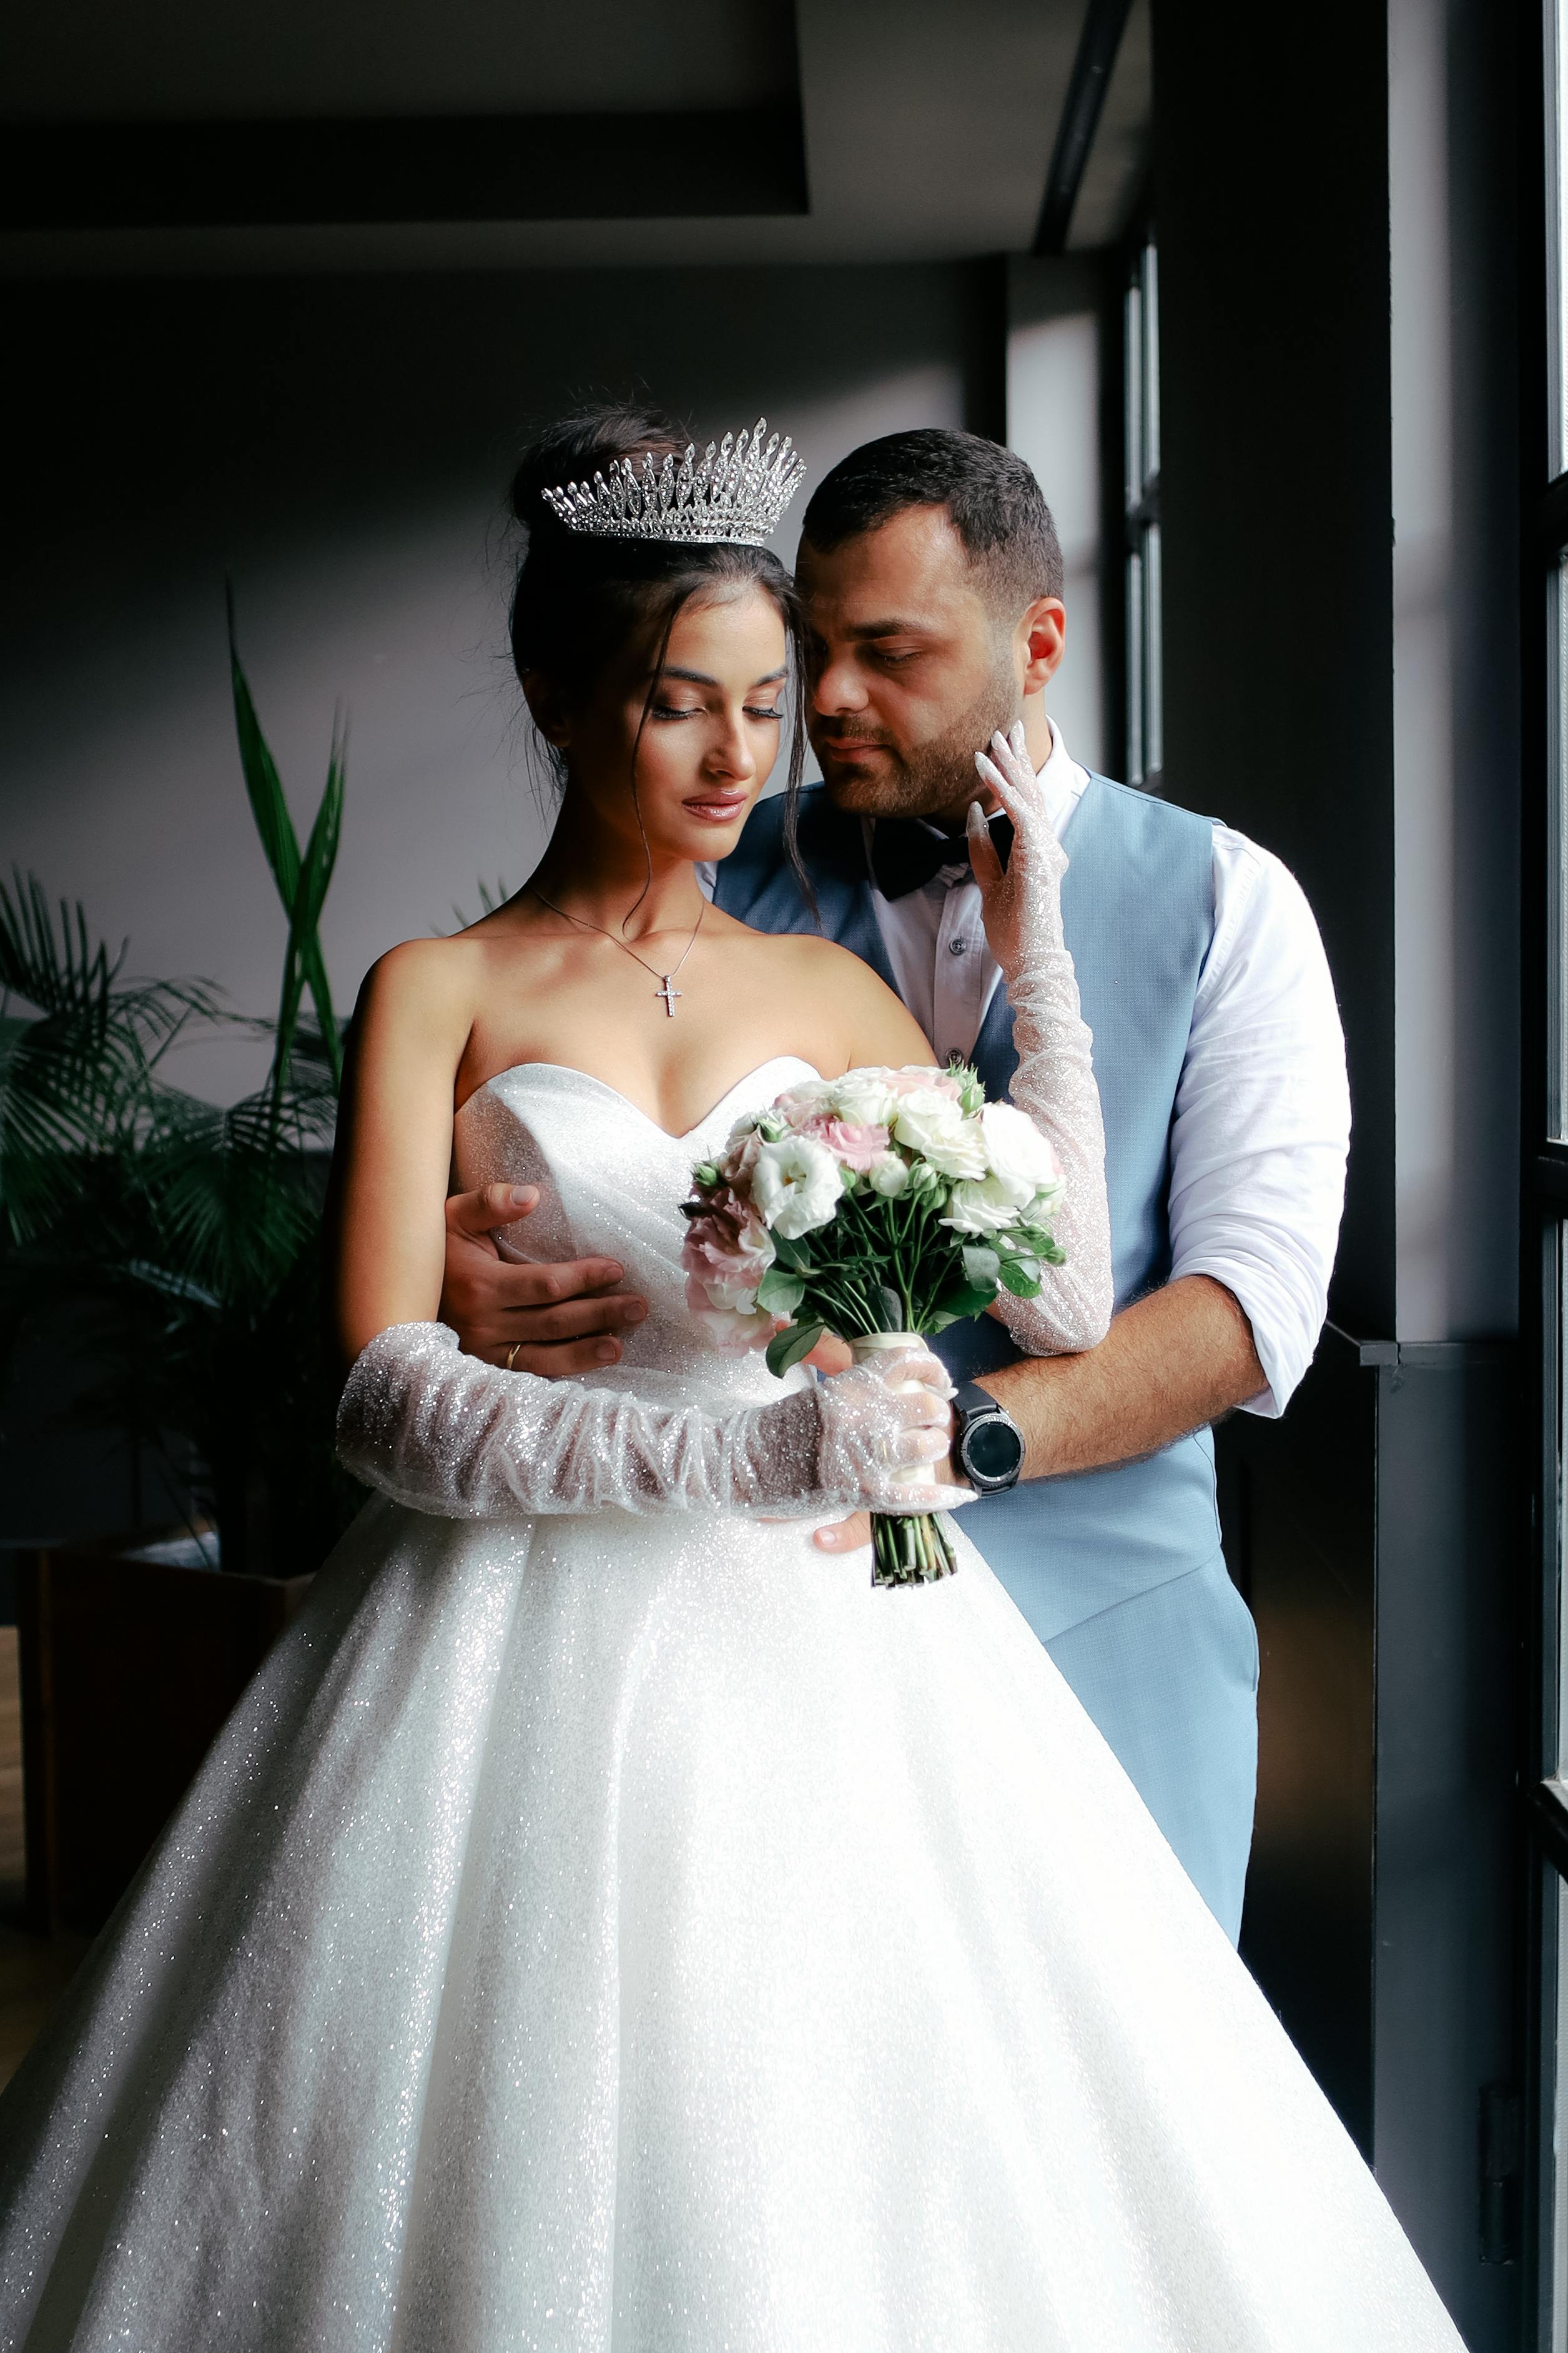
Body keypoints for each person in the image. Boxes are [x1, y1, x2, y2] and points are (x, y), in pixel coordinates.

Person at [0, 405, 1449, 2352]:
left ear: (1029, 652)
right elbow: (372, 1384)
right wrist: (538, 1309)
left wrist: (1040, 969)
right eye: (704, 700)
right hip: (505, 1636)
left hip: (869, 1628)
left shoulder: (919, 969)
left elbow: (1068, 1286)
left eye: (789, 701)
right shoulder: (451, 980)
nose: (759, 747)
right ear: (560, 693)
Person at [440, 425, 1351, 1947]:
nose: (829, 700)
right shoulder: (705, 880)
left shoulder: (1229, 903)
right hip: (758, 1645)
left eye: (890, 652)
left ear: (1036, 643)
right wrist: (473, 1278)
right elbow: (520, 1115)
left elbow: (1250, 1313)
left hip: (1109, 1640)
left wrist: (962, 1440)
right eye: (814, 645)